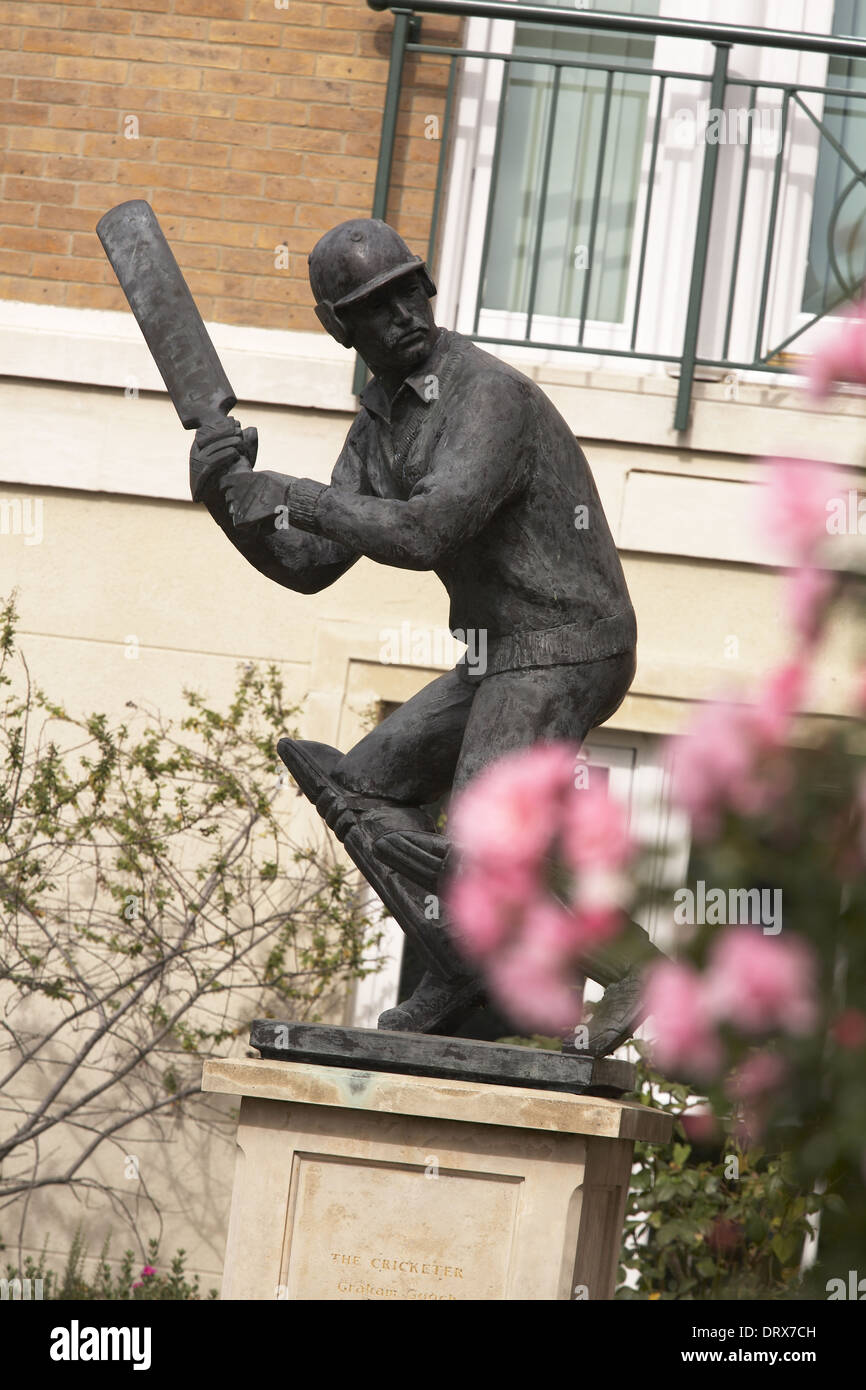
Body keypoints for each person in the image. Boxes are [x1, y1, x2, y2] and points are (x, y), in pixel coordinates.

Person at [188, 218, 659, 1048]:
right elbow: (310, 562)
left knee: (486, 842)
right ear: (342, 328)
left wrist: (290, 490)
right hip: (495, 656)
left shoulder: (487, 397)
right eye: (378, 304)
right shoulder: (381, 421)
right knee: (364, 788)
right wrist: (230, 500)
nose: (405, 311)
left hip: (568, 641)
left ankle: (635, 968)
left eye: (412, 288)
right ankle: (459, 964)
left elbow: (424, 533)